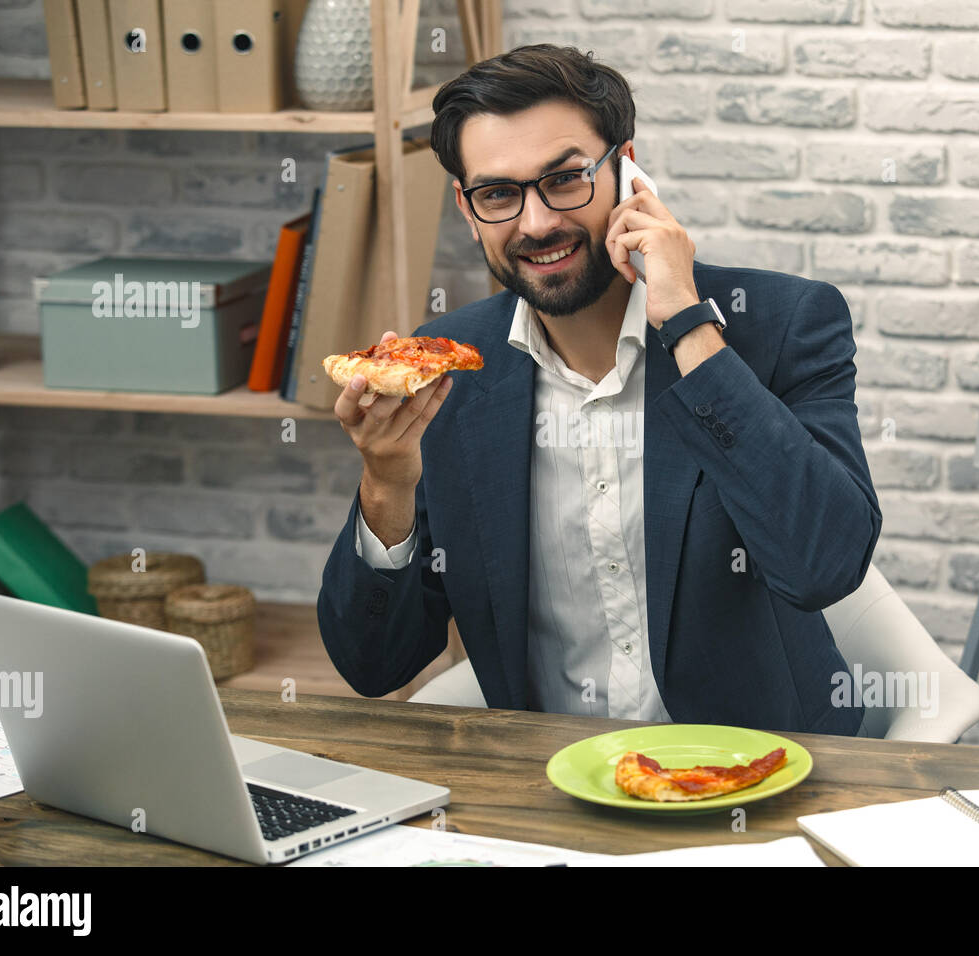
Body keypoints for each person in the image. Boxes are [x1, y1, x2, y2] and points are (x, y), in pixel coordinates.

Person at [318, 44, 881, 734]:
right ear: (468, 211)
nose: (537, 223)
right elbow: (373, 666)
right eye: (499, 193)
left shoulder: (783, 325)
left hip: (758, 779)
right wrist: (386, 483)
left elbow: (825, 563)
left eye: (565, 179)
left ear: (627, 170)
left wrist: (688, 325)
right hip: (547, 794)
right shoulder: (448, 371)